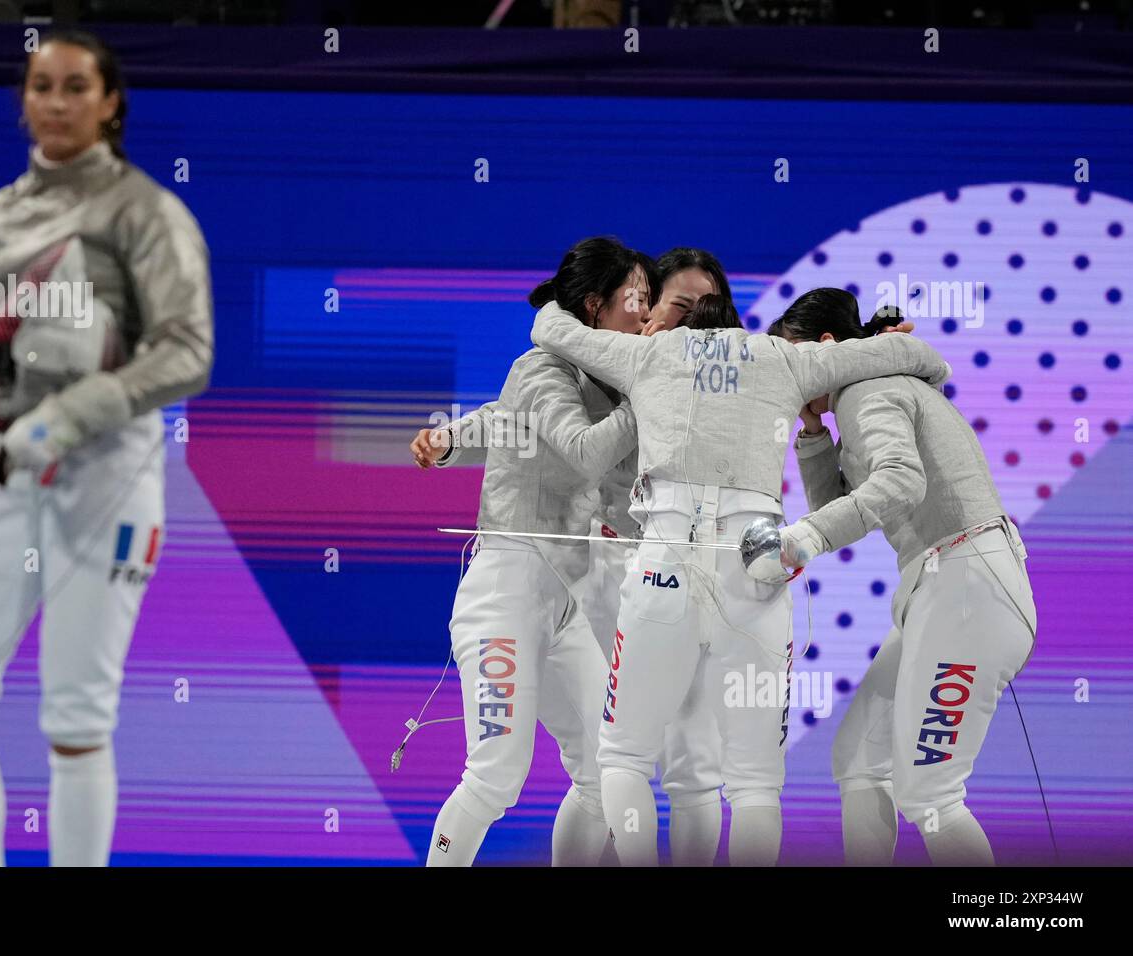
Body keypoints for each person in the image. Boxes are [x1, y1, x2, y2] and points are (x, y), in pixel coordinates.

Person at [0, 29, 214, 866]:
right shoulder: (0, 216)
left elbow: (188, 349)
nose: (56, 102)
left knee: (77, 721)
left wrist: (69, 417)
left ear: (109, 101)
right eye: (41, 85)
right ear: (24, 100)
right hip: (4, 467)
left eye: (75, 86)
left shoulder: (147, 212)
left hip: (108, 473)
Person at [530, 285, 952, 866]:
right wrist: (899, 344)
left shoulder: (648, 353)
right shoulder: (781, 356)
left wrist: (560, 296)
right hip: (755, 565)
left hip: (664, 566)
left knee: (624, 757)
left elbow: (552, 332)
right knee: (755, 782)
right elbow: (925, 359)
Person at [768, 289, 1036, 867]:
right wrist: (813, 435)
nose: (785, 381)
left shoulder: (870, 389)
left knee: (931, 793)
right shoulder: (867, 390)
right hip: (943, 588)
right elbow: (846, 503)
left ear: (826, 348)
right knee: (858, 760)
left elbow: (899, 483)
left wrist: (805, 537)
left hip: (968, 590)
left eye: (791, 363)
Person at [420, 236, 651, 866]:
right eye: (637, 300)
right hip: (508, 591)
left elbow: (507, 418)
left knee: (605, 774)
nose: (647, 315)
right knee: (496, 775)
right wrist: (650, 394)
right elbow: (577, 446)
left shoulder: (600, 378)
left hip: (566, 600)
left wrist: (450, 438)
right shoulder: (542, 367)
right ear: (595, 304)